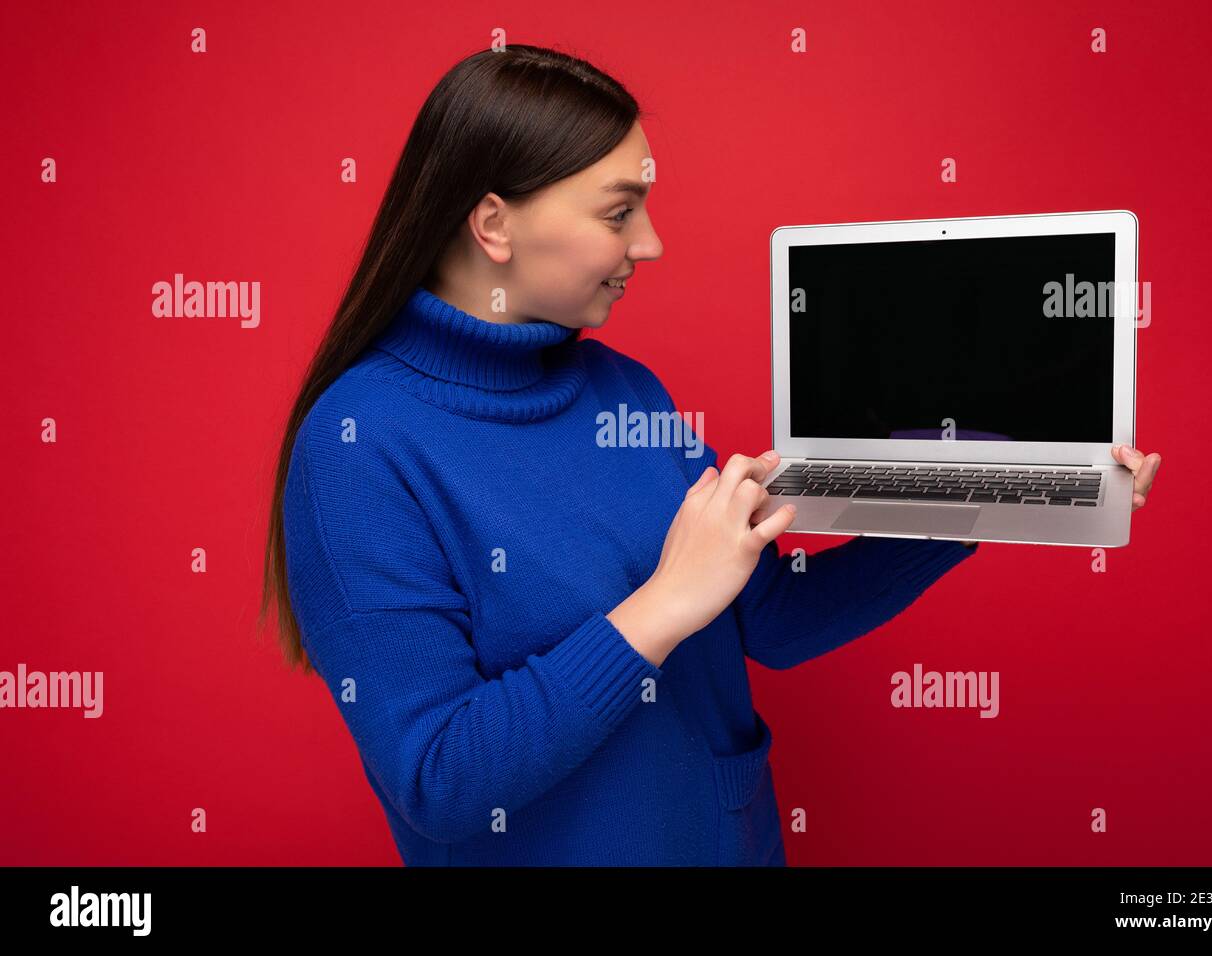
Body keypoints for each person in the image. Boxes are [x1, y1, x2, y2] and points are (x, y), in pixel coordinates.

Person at [258, 44, 1161, 866]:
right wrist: (661, 605)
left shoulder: (626, 391)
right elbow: (439, 782)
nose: (648, 244)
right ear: (493, 226)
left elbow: (769, 621)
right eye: (621, 212)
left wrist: (988, 500)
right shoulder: (358, 447)